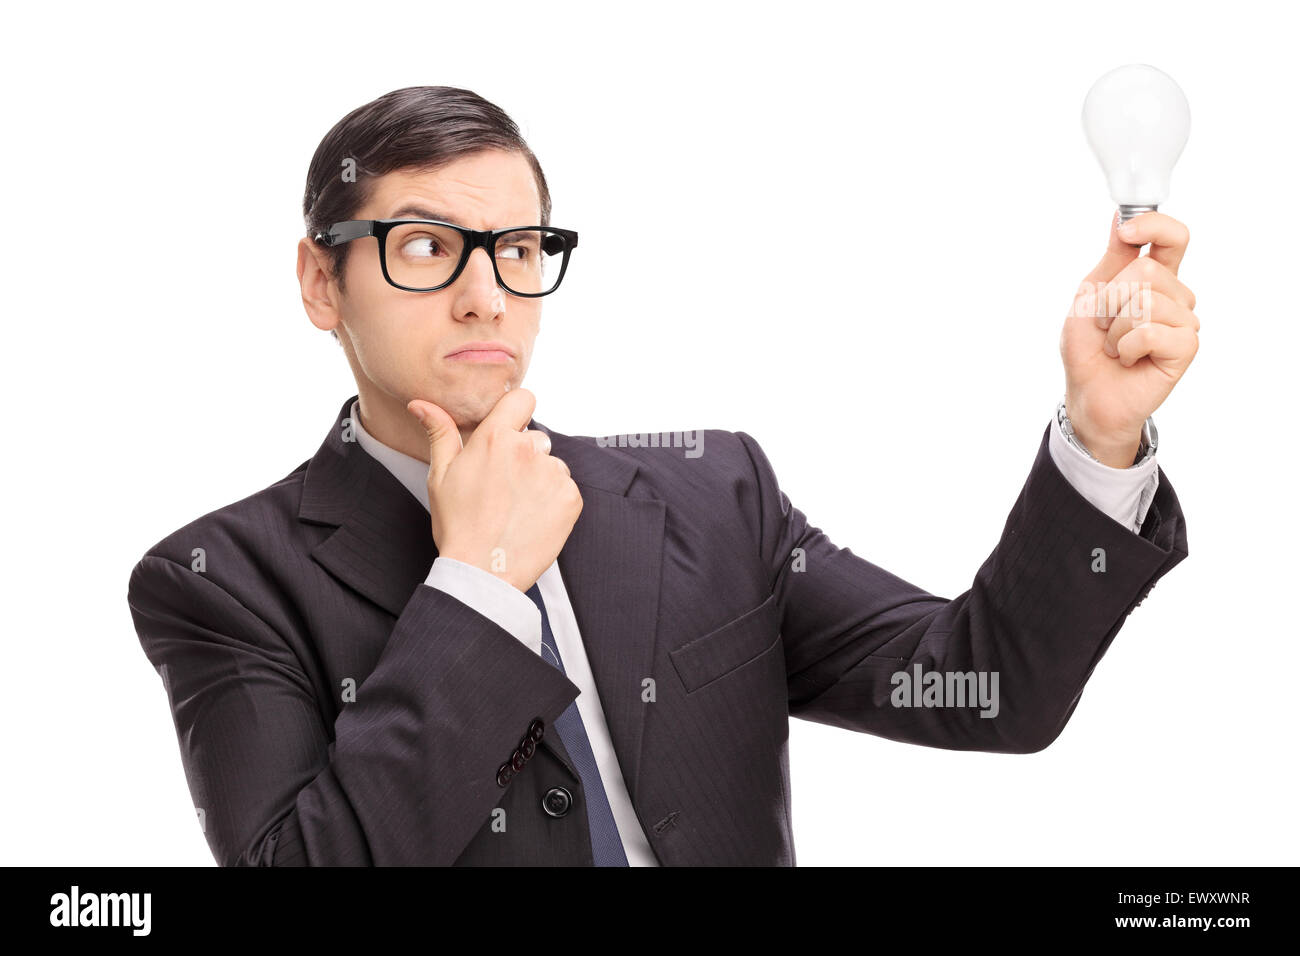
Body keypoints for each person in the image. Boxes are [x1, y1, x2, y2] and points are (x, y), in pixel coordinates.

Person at [127, 85, 1196, 866]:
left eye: (516, 247)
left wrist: (1098, 435)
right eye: (423, 247)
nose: (486, 296)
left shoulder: (709, 494)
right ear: (323, 280)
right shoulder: (221, 579)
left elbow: (988, 687)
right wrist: (479, 585)